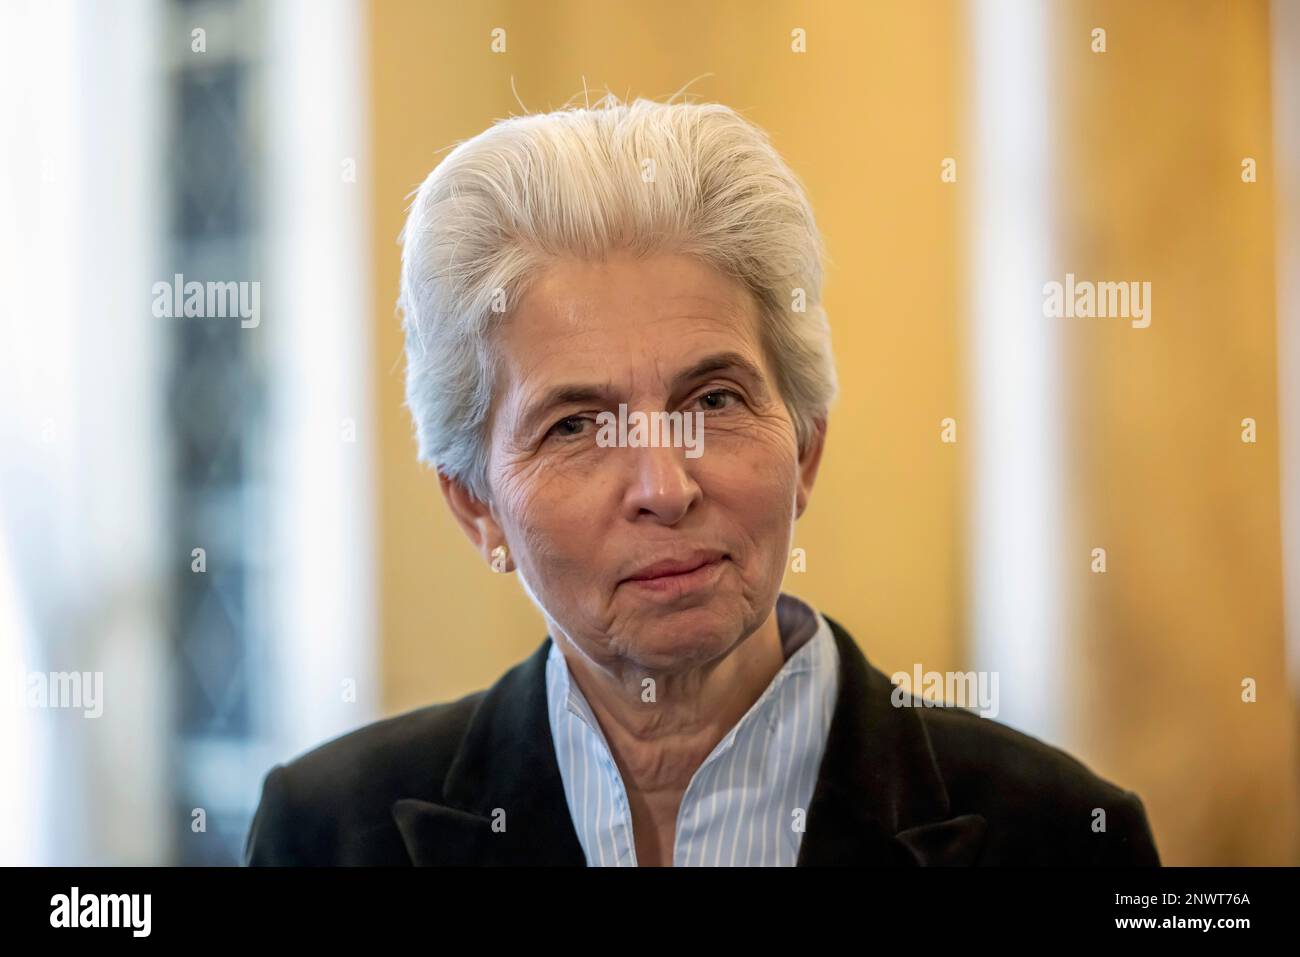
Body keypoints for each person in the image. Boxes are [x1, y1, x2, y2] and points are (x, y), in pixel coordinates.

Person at [245, 95, 1160, 866]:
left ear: (805, 444)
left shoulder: (1062, 837)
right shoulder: (329, 832)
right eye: (575, 426)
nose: (664, 484)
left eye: (714, 399)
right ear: (476, 504)